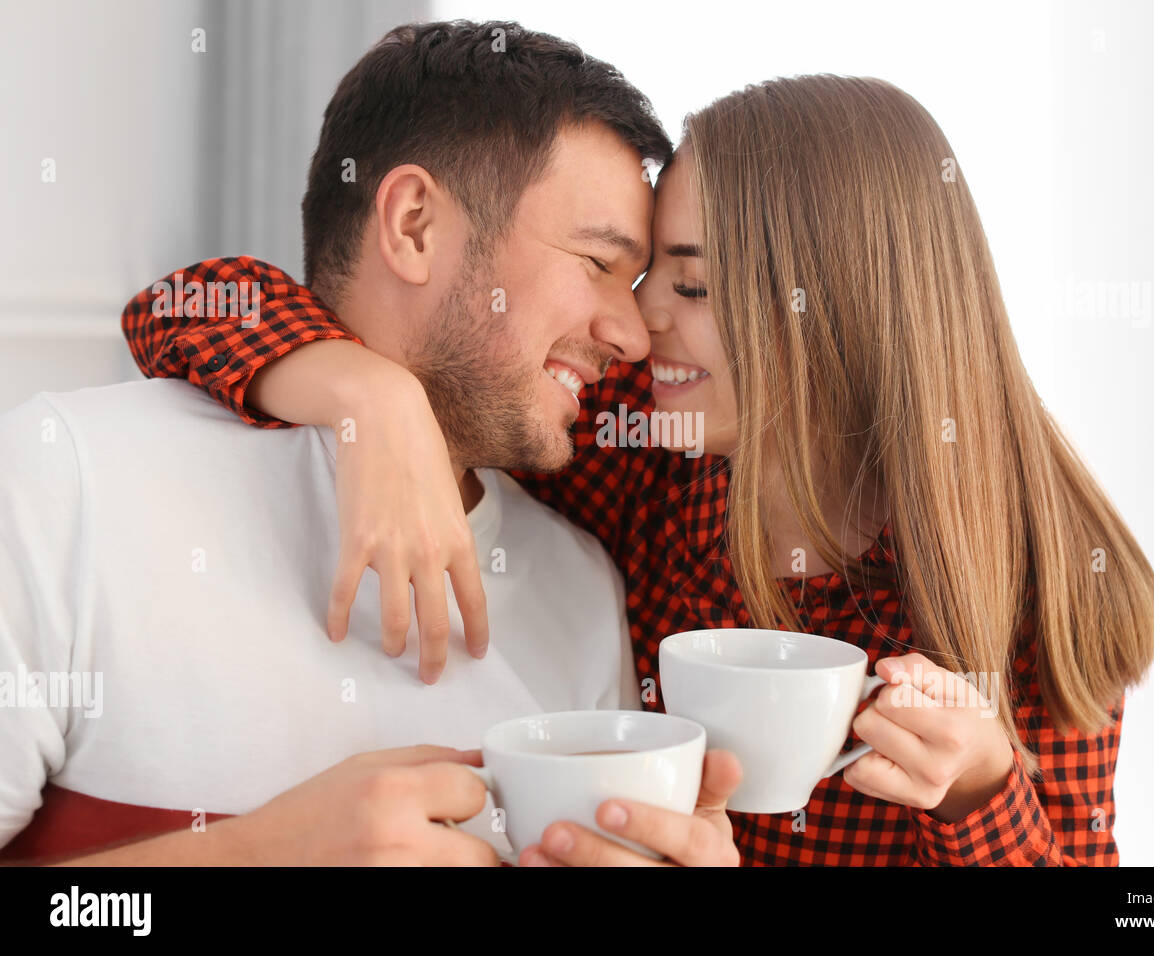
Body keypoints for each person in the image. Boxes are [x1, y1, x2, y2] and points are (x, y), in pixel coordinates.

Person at [0, 20, 741, 867]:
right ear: (415, 225)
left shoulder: (582, 584)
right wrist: (255, 857)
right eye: (597, 262)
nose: (633, 335)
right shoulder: (66, 486)